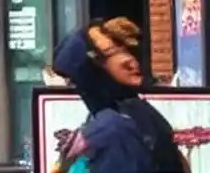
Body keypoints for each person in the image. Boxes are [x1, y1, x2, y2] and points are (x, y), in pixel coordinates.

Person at [51, 17, 186, 172]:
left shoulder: (114, 126)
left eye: (125, 50)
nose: (131, 61)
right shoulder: (124, 119)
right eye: (111, 53)